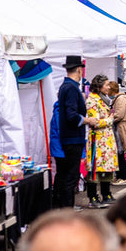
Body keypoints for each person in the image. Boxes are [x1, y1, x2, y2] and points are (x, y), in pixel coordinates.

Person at [54, 55, 98, 208]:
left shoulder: (65, 87)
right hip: (73, 138)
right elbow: (71, 115)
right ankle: (66, 210)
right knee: (70, 177)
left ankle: (61, 208)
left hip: (68, 138)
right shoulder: (71, 88)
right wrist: (88, 120)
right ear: (80, 70)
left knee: (64, 176)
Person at [85, 74, 119, 208]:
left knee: (106, 168)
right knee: (95, 168)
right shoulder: (92, 100)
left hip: (106, 139)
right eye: (106, 85)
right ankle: (92, 197)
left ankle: (106, 194)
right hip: (97, 139)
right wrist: (110, 119)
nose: (109, 87)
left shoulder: (104, 99)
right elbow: (95, 122)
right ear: (99, 86)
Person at [108, 81, 126, 186]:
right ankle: (120, 176)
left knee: (120, 153)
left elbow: (119, 115)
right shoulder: (120, 99)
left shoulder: (121, 100)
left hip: (122, 128)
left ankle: (123, 177)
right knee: (119, 153)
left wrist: (108, 118)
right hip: (121, 127)